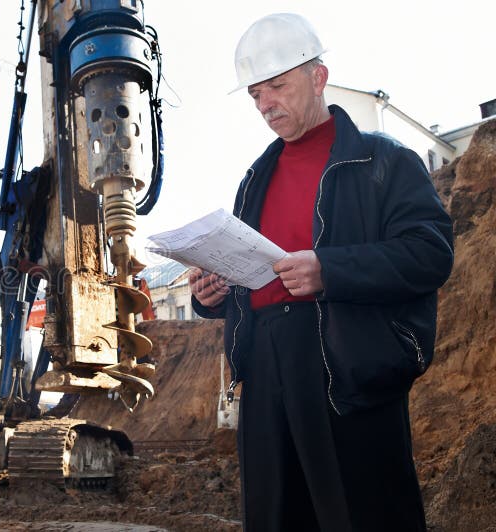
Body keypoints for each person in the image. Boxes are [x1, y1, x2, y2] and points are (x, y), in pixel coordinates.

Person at [189, 13, 454, 532]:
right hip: (264, 371)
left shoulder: (383, 161)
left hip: (344, 368)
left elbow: (430, 253)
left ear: (318, 78)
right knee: (277, 516)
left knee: (359, 515)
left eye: (277, 87)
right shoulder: (254, 179)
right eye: (255, 94)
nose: (265, 105)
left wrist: (328, 269)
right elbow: (249, 274)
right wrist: (212, 293)